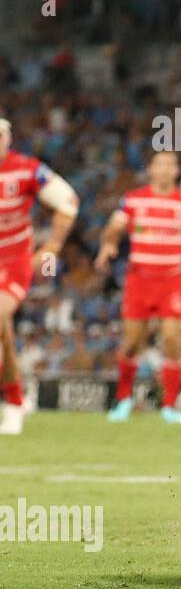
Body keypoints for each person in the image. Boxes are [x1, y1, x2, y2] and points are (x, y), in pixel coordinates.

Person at [97, 151, 181, 423]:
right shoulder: (134, 200)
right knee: (132, 343)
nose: (165, 169)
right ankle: (123, 399)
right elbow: (113, 228)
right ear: (151, 169)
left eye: (170, 164)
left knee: (172, 339)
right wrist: (108, 244)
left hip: (171, 281)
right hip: (138, 279)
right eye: (160, 164)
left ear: (177, 170)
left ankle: (169, 404)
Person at [0, 118, 79, 435]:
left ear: (8, 139)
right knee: (4, 333)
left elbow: (69, 201)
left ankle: (15, 402)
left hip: (13, 262)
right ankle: (16, 400)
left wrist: (52, 246)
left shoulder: (27, 168)